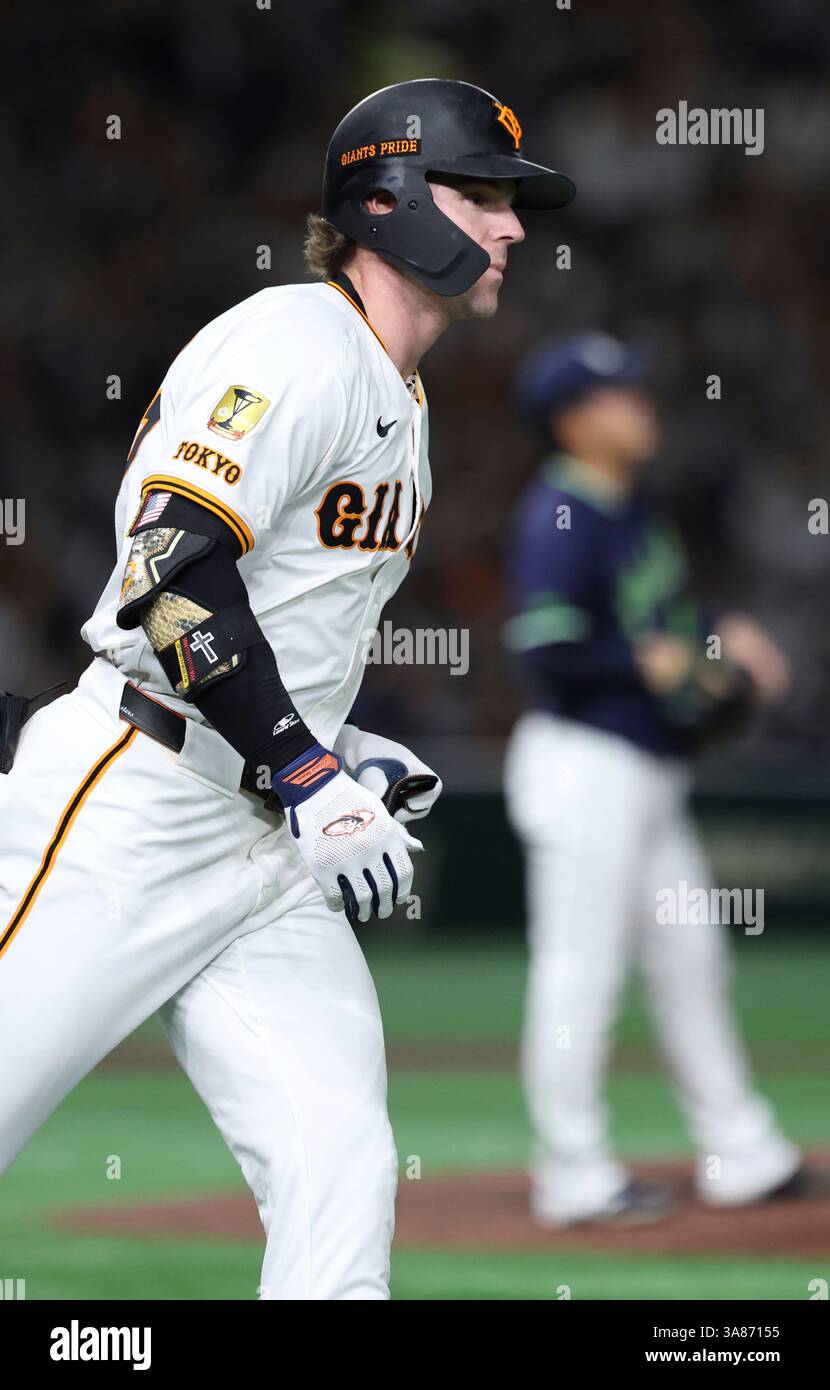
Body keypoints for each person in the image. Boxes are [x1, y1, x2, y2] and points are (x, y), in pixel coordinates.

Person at [0, 80, 575, 1299]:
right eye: (481, 196)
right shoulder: (295, 343)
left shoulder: (391, 386)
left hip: (261, 847)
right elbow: (167, 571)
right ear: (389, 202)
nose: (511, 227)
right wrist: (302, 764)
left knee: (339, 1173)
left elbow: (266, 605)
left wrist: (332, 742)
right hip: (134, 805)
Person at [503, 332, 822, 1227]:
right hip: (583, 765)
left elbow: (670, 621)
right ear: (571, 419)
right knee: (581, 972)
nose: (642, 406)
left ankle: (742, 1153)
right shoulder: (558, 512)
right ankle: (572, 1172)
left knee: (692, 955)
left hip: (643, 771)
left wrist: (725, 629)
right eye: (620, 395)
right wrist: (639, 660)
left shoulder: (632, 505)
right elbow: (542, 645)